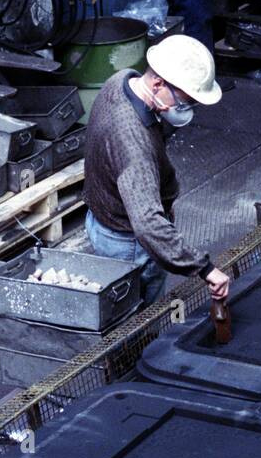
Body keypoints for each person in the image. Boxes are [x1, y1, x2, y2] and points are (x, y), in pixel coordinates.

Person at [84, 35, 231, 305]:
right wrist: (205, 269)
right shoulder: (132, 142)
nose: (183, 109)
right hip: (128, 245)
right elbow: (149, 225)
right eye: (183, 102)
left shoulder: (121, 81)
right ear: (158, 83)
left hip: (102, 220)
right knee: (139, 323)